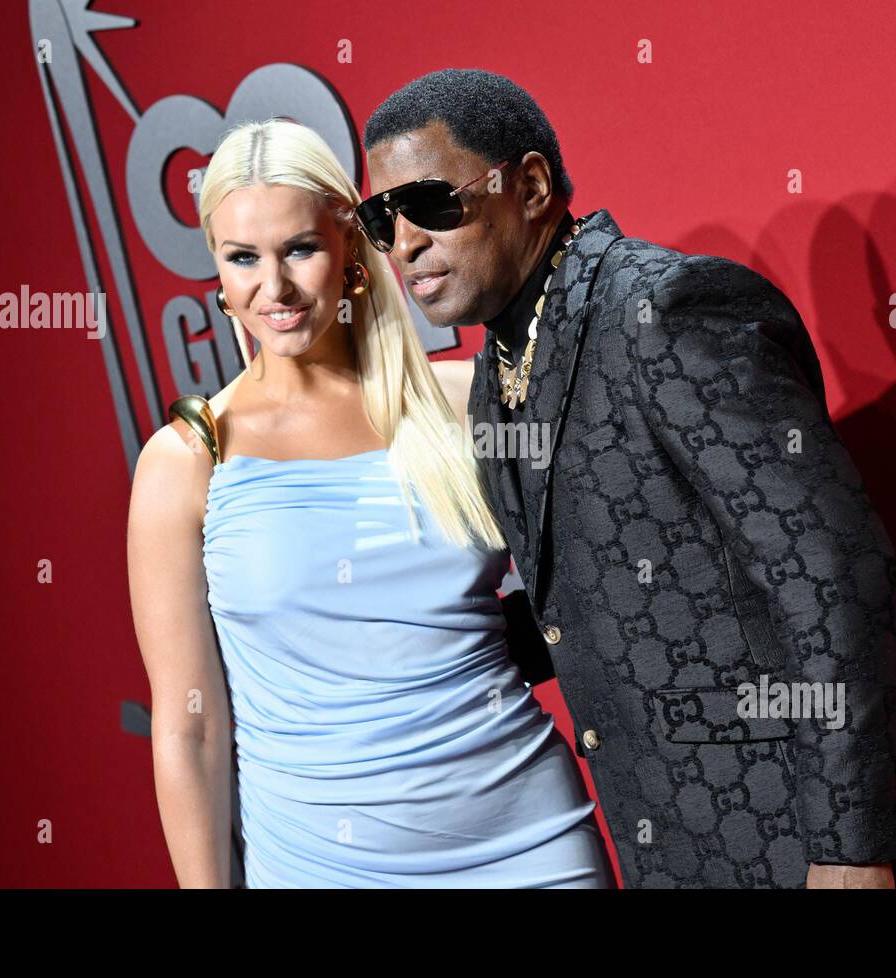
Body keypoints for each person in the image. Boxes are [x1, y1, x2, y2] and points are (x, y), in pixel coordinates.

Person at [360, 68, 896, 889]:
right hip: (671, 837)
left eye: (430, 202)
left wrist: (852, 848)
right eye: (381, 218)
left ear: (528, 185)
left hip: (801, 838)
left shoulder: (665, 310)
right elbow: (596, 601)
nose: (405, 240)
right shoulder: (498, 370)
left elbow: (833, 574)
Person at [126, 118, 612, 888]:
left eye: (300, 249)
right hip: (319, 865)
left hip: (531, 848)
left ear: (351, 244)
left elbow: (609, 587)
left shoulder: (464, 404)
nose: (274, 289)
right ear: (216, 271)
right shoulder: (190, 462)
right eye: (242, 257)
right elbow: (189, 728)